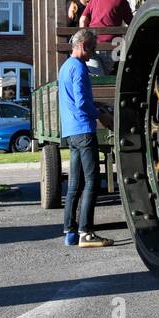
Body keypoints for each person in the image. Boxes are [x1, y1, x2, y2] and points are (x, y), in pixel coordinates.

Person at [58, 28, 113, 247]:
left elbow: (74, 101)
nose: (94, 52)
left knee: (75, 184)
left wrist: (95, 106)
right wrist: (103, 117)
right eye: (92, 48)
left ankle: (69, 232)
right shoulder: (79, 68)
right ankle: (86, 232)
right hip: (83, 130)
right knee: (92, 182)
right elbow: (82, 103)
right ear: (82, 46)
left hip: (71, 131)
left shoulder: (64, 67)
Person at [79, 0, 134, 74]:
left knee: (99, 76)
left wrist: (85, 39)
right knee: (112, 75)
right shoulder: (122, 2)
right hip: (114, 46)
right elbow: (132, 23)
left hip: (93, 44)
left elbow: (83, 21)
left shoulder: (93, 1)